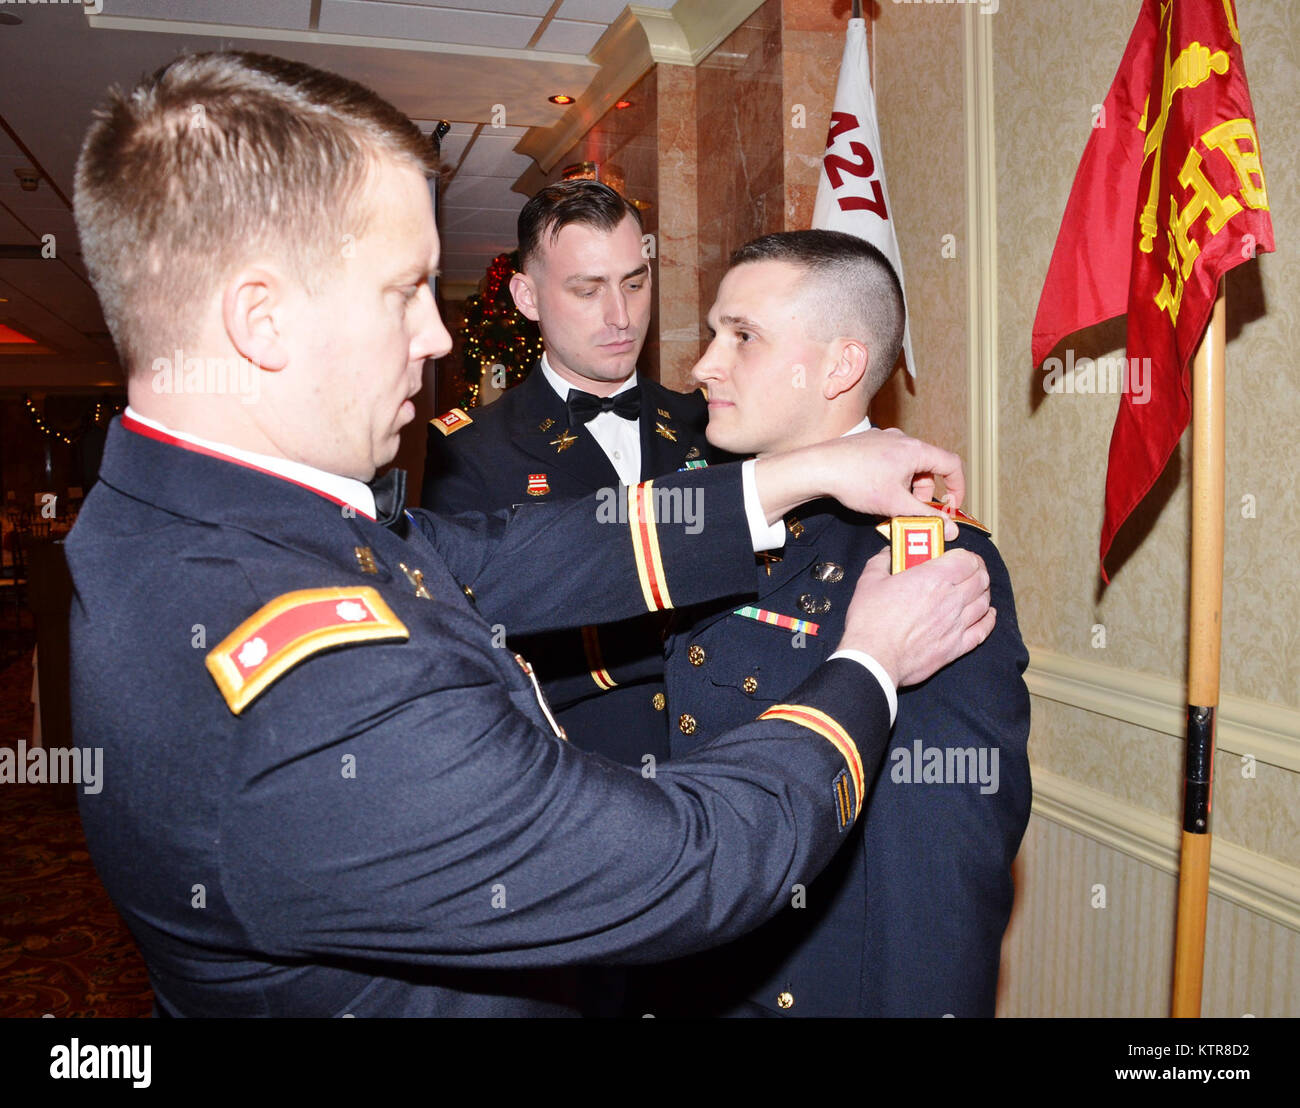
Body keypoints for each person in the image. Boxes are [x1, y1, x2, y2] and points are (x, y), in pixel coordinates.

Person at [66, 51, 996, 1017]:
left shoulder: (213, 520)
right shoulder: (310, 679)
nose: (436, 337)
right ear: (260, 319)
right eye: (404, 290)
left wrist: (800, 471)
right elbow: (691, 864)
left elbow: (505, 554)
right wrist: (872, 661)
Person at [644, 230, 1032, 1018]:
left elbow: (939, 876)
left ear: (841, 366)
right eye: (716, 332)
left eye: (743, 337)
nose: (704, 366)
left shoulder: (924, 559)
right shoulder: (722, 514)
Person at [422, 180, 711, 768]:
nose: (621, 316)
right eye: (587, 290)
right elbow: (471, 645)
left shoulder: (707, 424)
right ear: (527, 298)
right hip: (579, 774)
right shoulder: (473, 450)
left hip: (723, 762)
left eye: (635, 282)